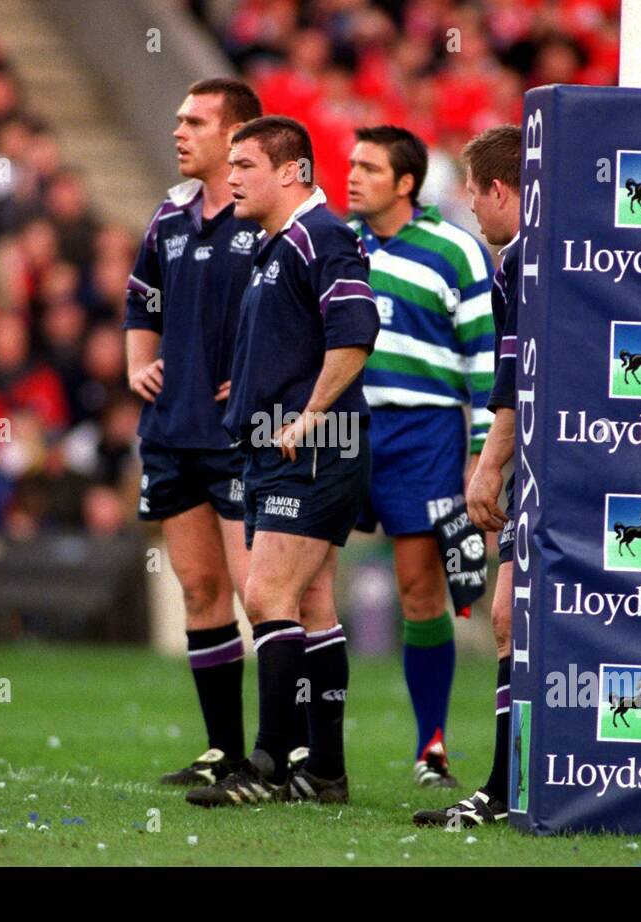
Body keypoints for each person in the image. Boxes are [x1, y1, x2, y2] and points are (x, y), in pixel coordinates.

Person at [186, 115, 379, 806]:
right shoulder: (276, 246)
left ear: (291, 172)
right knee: (312, 602)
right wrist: (257, 383)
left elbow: (355, 333)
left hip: (314, 448)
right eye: (230, 164)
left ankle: (267, 762)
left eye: (244, 164)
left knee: (267, 596)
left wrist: (311, 413)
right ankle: (323, 770)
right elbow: (299, 339)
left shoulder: (323, 236)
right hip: (280, 446)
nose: (230, 176)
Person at [123, 78, 263, 786]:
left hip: (241, 436)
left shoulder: (266, 214)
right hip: (173, 430)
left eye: (195, 122)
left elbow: (307, 311)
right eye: (178, 120)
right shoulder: (169, 215)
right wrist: (136, 362)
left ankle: (282, 756)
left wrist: (267, 373)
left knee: (260, 594)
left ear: (236, 135)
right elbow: (140, 295)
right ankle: (223, 751)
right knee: (201, 587)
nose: (179, 132)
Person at [345, 125, 494, 788]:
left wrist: (484, 451)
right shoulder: (335, 244)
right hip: (341, 428)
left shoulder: (457, 252)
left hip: (425, 434)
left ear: (405, 183)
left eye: (368, 168)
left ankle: (430, 744)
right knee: (305, 582)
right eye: (350, 165)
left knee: (419, 589)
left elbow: (486, 361)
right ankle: (302, 752)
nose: (351, 177)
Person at [412, 124, 522, 828]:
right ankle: (508, 786)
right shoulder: (517, 264)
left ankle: (509, 789)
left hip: (567, 471)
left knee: (514, 620)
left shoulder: (524, 265)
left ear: (502, 190)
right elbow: (515, 379)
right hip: (546, 468)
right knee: (510, 617)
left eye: (475, 193)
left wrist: (487, 469)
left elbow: (512, 381)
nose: (470, 208)